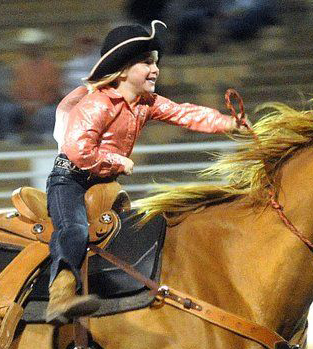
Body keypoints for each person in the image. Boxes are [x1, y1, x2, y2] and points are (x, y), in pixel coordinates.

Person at [44, 20, 240, 323]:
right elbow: (77, 150)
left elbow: (184, 113)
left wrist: (227, 123)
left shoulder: (145, 104)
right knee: (74, 228)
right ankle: (60, 295)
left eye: (156, 62)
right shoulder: (97, 104)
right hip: (70, 180)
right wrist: (117, 161)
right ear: (122, 70)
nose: (155, 69)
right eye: (147, 62)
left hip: (104, 184)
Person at [11, 28, 63, 143]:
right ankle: (10, 137)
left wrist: (40, 104)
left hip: (46, 104)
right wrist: (24, 103)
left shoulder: (51, 66)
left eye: (33, 45)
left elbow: (54, 89)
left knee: (48, 112)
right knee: (8, 110)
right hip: (23, 104)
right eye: (28, 46)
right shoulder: (19, 67)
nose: (31, 48)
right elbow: (15, 89)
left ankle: (48, 137)